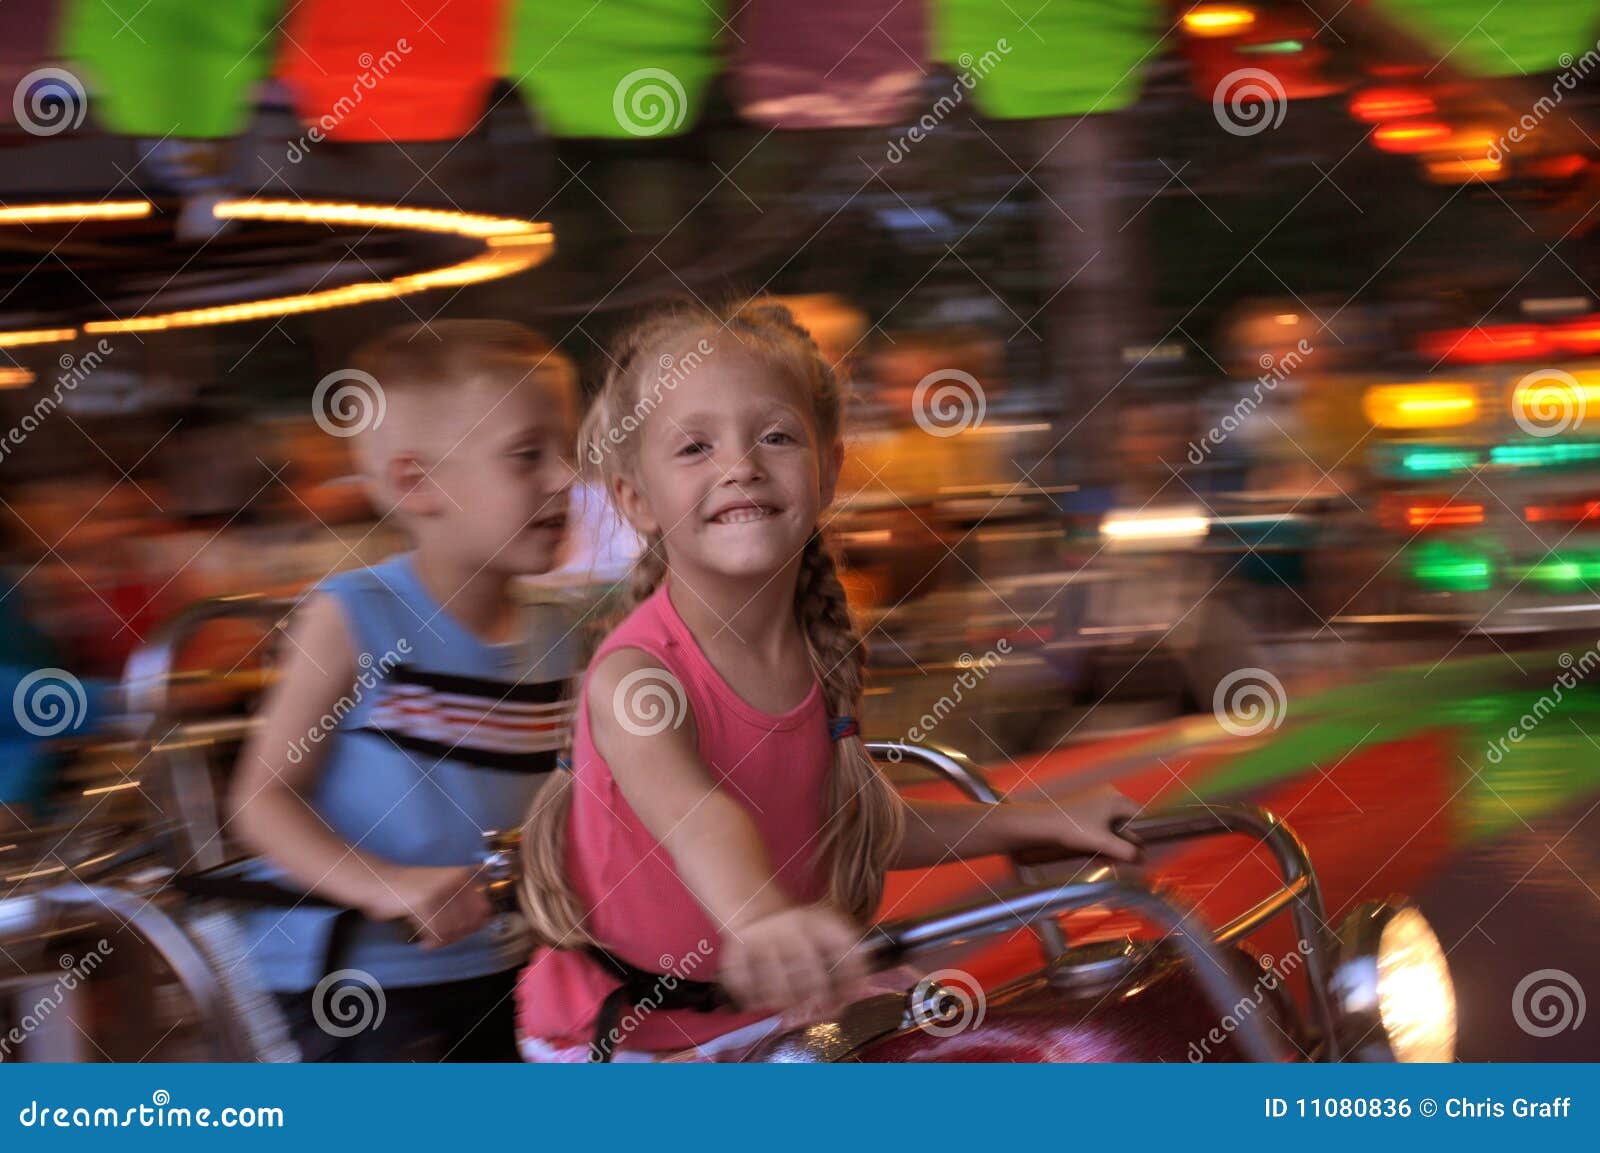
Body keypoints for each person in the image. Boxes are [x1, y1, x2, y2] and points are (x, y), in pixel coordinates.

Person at [515, 299, 1141, 1062]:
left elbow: (843, 823)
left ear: (829, 470)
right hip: (636, 1039)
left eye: (775, 436)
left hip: (768, 1008)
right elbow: (695, 816)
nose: (739, 465)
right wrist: (762, 916)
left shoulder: (813, 650)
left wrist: (1039, 821)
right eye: (695, 448)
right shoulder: (636, 678)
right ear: (635, 498)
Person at [229, 320, 580, 1061]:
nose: (564, 477)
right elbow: (261, 798)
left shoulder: (561, 630)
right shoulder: (356, 614)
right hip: (358, 977)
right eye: (527, 457)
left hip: (496, 959)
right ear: (419, 484)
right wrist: (384, 884)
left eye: (567, 451)